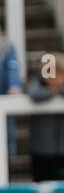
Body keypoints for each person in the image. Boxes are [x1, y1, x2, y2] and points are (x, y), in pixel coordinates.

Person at [26, 52, 64, 183]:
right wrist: (53, 90)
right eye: (53, 74)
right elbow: (34, 93)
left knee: (61, 184)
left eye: (61, 74)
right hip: (40, 149)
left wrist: (59, 88)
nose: (57, 78)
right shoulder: (37, 82)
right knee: (40, 183)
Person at [0, 29, 21, 158]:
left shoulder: (7, 47)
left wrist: (14, 86)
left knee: (7, 134)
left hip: (4, 97)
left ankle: (10, 153)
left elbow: (13, 67)